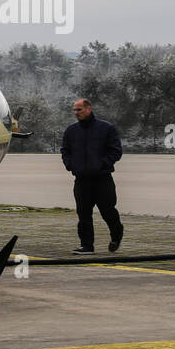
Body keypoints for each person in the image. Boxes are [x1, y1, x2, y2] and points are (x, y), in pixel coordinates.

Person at [60, 98, 124, 254]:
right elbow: (65, 151)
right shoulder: (71, 131)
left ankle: (116, 234)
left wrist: (101, 164)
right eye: (75, 110)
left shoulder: (106, 128)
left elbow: (116, 151)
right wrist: (70, 165)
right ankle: (87, 246)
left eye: (79, 109)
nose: (76, 113)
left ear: (88, 109)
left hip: (102, 179)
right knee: (83, 214)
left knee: (108, 211)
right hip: (81, 180)